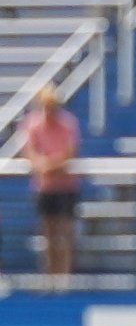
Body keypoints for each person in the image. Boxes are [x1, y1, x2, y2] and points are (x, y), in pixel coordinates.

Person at [22, 84, 82, 283]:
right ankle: (49, 278)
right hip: (45, 187)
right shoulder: (33, 124)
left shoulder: (68, 124)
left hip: (65, 186)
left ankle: (63, 278)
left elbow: (69, 152)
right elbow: (30, 152)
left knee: (64, 233)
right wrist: (42, 166)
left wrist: (49, 166)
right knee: (47, 233)